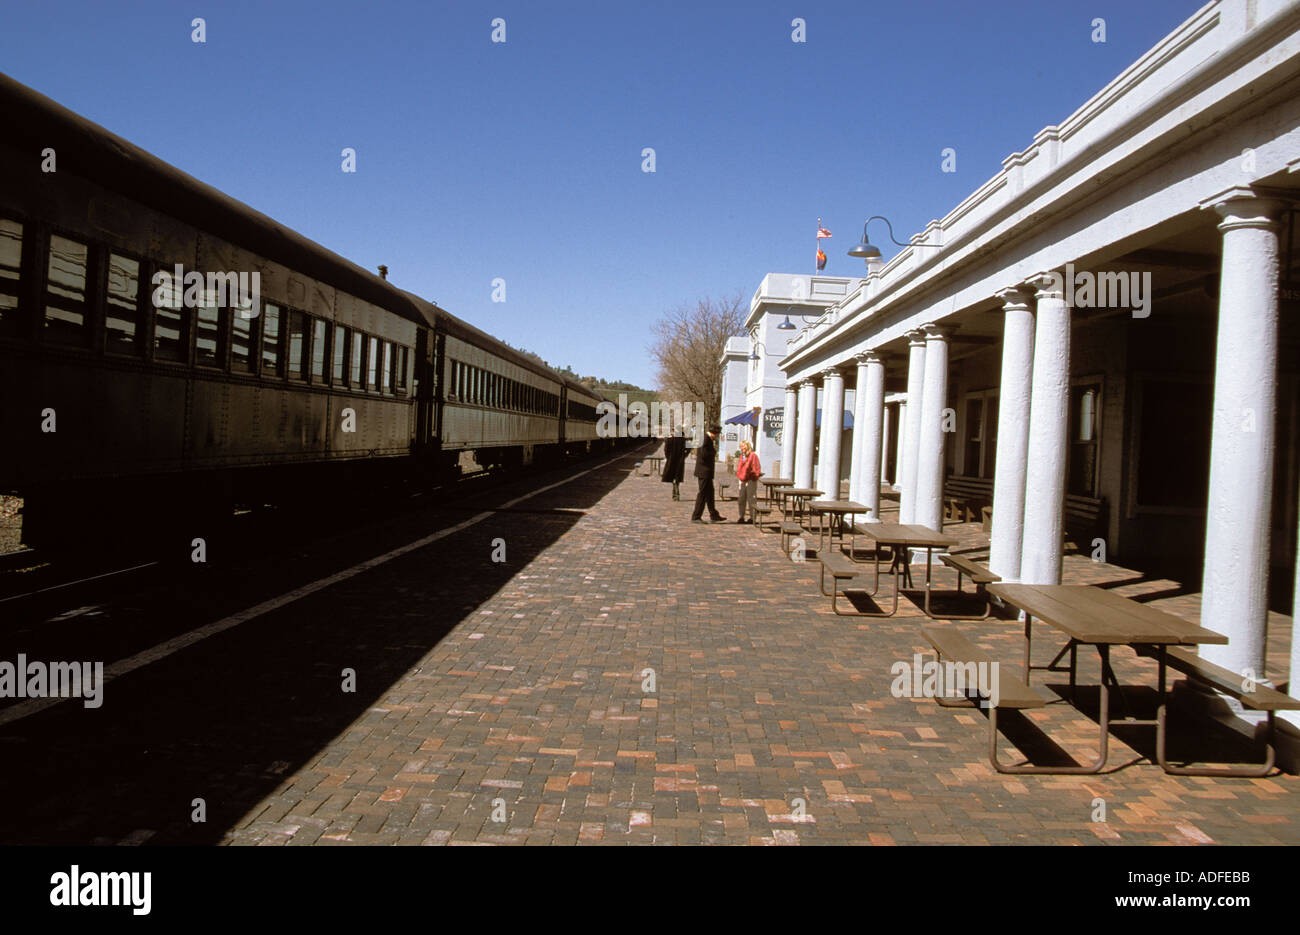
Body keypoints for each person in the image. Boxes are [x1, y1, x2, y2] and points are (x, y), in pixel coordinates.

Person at [690, 426, 725, 523]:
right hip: (704, 471)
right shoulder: (706, 439)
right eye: (717, 435)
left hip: (706, 472)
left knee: (710, 494)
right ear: (714, 433)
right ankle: (696, 516)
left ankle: (714, 514)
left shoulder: (706, 438)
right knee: (702, 493)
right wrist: (713, 452)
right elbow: (704, 454)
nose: (717, 437)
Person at [734, 440, 761, 523]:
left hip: (750, 480)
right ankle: (741, 516)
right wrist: (740, 476)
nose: (742, 448)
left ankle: (752, 518)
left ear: (748, 446)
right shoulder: (742, 456)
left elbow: (756, 468)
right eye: (741, 446)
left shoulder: (753, 455)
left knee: (751, 499)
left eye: (744, 446)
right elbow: (739, 467)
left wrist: (752, 476)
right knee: (741, 499)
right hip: (742, 480)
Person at [660, 427, 687, 500]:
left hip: (671, 460)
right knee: (678, 475)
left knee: (672, 475)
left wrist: (668, 457)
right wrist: (684, 456)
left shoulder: (669, 440)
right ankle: (676, 488)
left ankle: (674, 490)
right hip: (680, 460)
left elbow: (666, 450)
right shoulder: (684, 440)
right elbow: (688, 449)